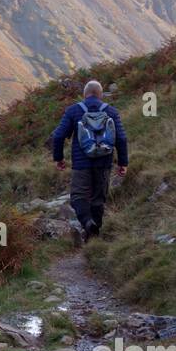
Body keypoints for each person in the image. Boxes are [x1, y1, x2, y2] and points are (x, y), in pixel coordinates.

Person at [50, 80, 128, 240]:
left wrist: (59, 158)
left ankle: (87, 222)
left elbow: (57, 136)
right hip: (104, 162)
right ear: (100, 95)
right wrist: (123, 163)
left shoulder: (73, 111)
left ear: (85, 94)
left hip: (81, 163)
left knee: (79, 196)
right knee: (98, 198)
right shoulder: (111, 112)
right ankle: (93, 234)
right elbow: (121, 138)